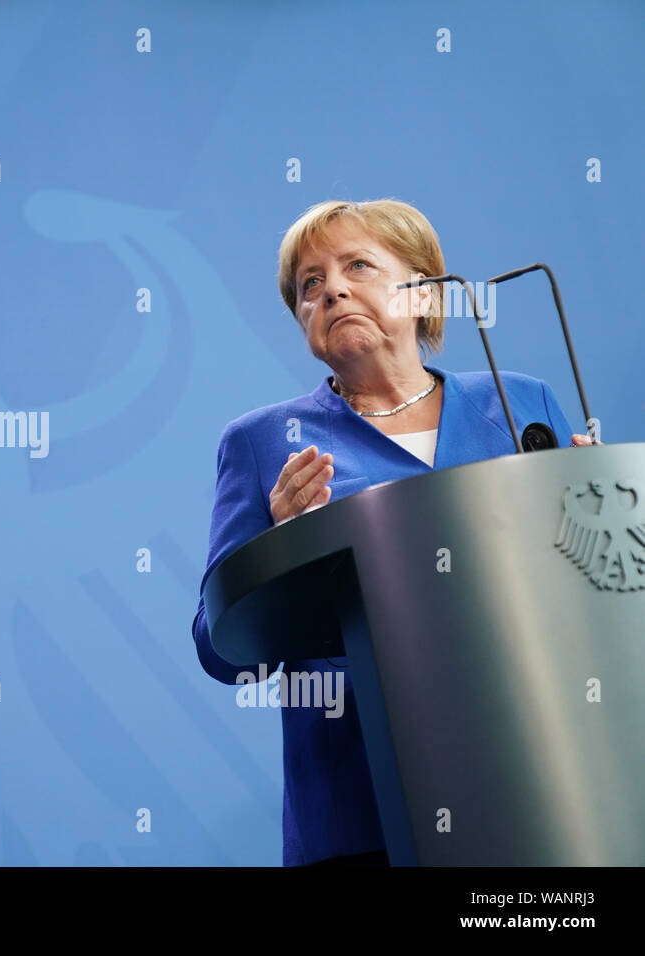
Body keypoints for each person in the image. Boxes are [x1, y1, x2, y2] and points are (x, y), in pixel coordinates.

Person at [191, 199, 592, 866]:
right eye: (310, 284)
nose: (333, 289)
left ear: (426, 291)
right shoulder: (263, 444)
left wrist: (595, 510)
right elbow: (220, 651)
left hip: (538, 789)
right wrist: (278, 554)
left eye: (358, 266)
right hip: (359, 815)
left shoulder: (520, 402)